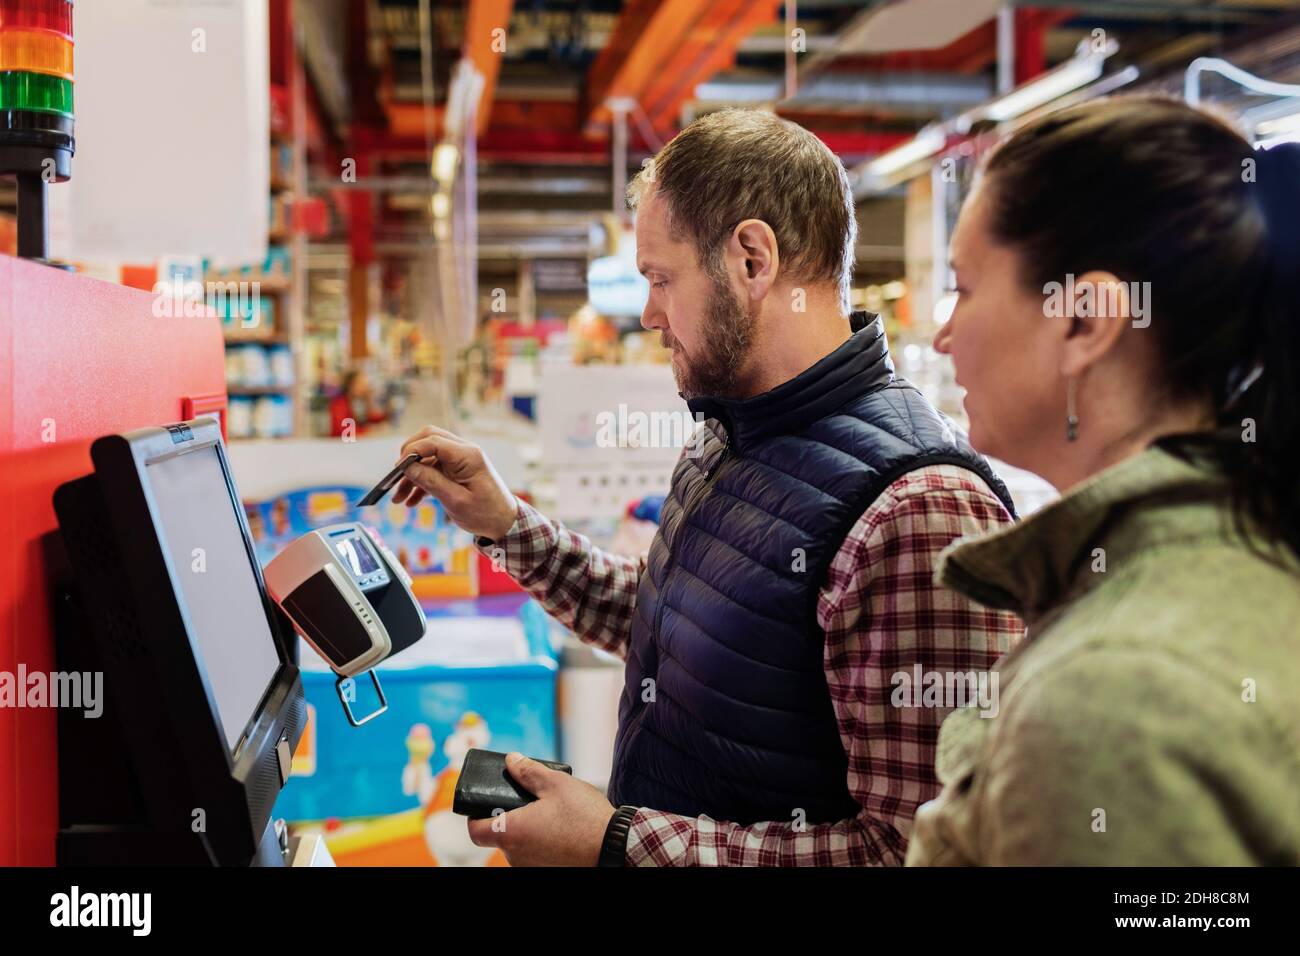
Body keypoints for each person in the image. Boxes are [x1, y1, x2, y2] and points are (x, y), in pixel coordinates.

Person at [393, 110, 1022, 867]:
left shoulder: (920, 512)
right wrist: (505, 523)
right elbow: (681, 635)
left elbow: (917, 853)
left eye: (661, 280)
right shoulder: (730, 432)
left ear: (753, 259)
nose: (650, 315)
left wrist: (618, 842)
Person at [908, 96, 1300, 865]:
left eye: (966, 285)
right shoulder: (1249, 550)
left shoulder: (1115, 693)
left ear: (1086, 320)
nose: (944, 332)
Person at [328, 368, 387, 438]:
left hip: (355, 443)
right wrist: (367, 431)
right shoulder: (339, 404)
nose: (364, 386)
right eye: (360, 383)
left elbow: (370, 418)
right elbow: (344, 431)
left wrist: (369, 401)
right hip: (340, 445)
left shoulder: (358, 402)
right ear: (350, 385)